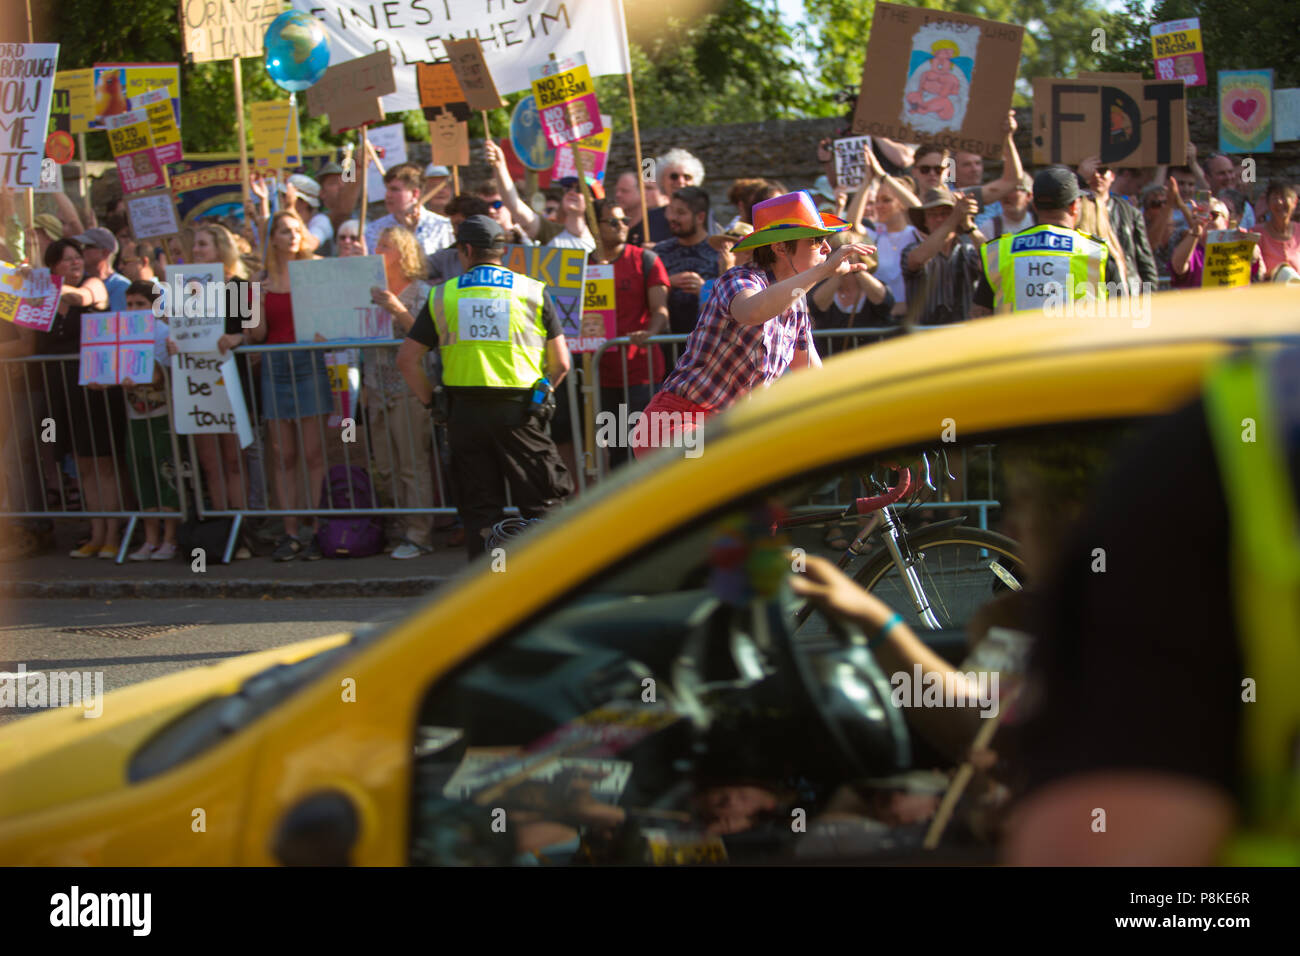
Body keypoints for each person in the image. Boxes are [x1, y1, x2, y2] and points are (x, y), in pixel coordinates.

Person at [1007, 345, 1300, 865]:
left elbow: (1101, 851)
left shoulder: (1226, 445)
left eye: (1025, 501)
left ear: (1074, 512)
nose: (1011, 526)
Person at [628, 192, 872, 458]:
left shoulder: (796, 302)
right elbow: (753, 310)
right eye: (816, 240)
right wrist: (823, 272)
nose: (827, 249)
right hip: (677, 422)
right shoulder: (740, 279)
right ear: (779, 248)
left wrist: (872, 438)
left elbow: (816, 381)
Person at [396, 215, 574, 559]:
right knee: (544, 504)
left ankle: (492, 587)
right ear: (502, 251)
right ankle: (548, 587)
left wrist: (433, 403)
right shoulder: (532, 291)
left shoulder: (441, 296)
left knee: (481, 512)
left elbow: (407, 360)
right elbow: (562, 364)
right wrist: (543, 394)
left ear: (465, 250)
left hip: (465, 415)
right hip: (521, 413)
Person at [246, 211, 334, 562]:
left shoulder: (318, 269)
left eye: (297, 229)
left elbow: (335, 316)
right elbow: (251, 335)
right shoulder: (255, 277)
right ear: (274, 239)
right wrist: (254, 299)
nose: (293, 235)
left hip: (309, 362)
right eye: (285, 231)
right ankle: (290, 533)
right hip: (274, 363)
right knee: (282, 455)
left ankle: (318, 528)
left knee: (314, 453)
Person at [170, 222, 257, 556]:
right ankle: (221, 535)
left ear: (221, 249)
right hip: (197, 383)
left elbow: (252, 331)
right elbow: (179, 332)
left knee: (234, 460)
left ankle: (242, 531)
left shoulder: (237, 288)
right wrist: (173, 343)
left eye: (203, 245)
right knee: (210, 462)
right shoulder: (185, 290)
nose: (197, 251)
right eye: (196, 246)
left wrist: (237, 337)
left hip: (230, 380)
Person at [40, 238, 124, 558]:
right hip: (63, 392)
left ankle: (112, 534)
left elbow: (85, 298)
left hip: (95, 390)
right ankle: (96, 531)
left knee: (104, 464)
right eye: (66, 260)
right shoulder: (45, 301)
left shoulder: (93, 285)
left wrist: (46, 289)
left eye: (78, 258)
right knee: (83, 466)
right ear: (53, 267)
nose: (75, 263)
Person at [366, 227, 435, 559]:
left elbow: (427, 336)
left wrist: (397, 309)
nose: (376, 249)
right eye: (377, 244)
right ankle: (401, 527)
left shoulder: (421, 292)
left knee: (412, 464)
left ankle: (419, 533)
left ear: (404, 253)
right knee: (386, 465)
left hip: (409, 388)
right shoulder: (369, 290)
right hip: (376, 388)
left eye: (385, 245)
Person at [590, 198, 671, 469]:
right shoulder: (580, 267)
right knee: (616, 452)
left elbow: (661, 310)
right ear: (595, 226)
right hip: (601, 374)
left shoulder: (645, 259)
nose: (622, 226)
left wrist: (650, 332)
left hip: (642, 372)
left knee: (646, 448)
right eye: (613, 222)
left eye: (624, 220)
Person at [974, 167, 1120, 316]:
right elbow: (1120, 315)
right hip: (1079, 339)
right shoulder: (1096, 252)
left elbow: (980, 314)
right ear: (1074, 206)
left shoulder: (999, 251)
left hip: (1016, 339)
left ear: (1035, 206)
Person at [120, 281, 179, 562]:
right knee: (142, 475)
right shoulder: (121, 333)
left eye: (140, 304)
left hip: (162, 416)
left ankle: (170, 538)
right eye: (129, 304)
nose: (133, 310)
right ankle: (150, 538)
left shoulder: (164, 333)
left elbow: (163, 374)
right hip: (135, 417)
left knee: (166, 474)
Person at [483, 142, 594, 251]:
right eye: (568, 188)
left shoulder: (602, 237)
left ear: (593, 199)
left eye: (579, 189)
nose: (571, 192)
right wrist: (500, 166)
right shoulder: (550, 231)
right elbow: (513, 204)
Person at [900, 186, 984, 325]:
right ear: (925, 221)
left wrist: (969, 225)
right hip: (925, 336)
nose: (939, 219)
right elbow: (917, 259)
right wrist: (954, 217)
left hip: (964, 335)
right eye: (933, 214)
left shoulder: (968, 251)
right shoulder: (911, 249)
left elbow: (992, 260)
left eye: (945, 213)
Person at [1075, 156, 1159, 293]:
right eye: (1091, 171)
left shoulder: (1129, 212)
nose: (1096, 176)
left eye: (1102, 171)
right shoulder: (1075, 211)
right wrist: (1079, 178)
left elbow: (1145, 260)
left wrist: (1150, 296)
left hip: (1127, 289)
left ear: (1112, 176)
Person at [655, 186, 720, 336]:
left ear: (700, 217)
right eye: (670, 210)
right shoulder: (659, 252)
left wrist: (704, 290)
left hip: (707, 340)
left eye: (681, 213)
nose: (672, 218)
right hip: (668, 342)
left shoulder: (719, 251)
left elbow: (731, 297)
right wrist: (666, 283)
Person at [808, 230, 895, 334]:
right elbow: (817, 306)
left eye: (849, 249)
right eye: (836, 249)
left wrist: (855, 268)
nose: (841, 253)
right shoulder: (820, 286)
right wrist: (840, 269)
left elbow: (884, 301)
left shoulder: (875, 284)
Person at [1170, 195, 1265, 288]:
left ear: (1226, 222)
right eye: (1202, 215)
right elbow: (1178, 267)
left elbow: (1260, 276)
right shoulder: (1192, 249)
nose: (1206, 219)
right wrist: (1196, 232)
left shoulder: (1239, 247)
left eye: (1212, 215)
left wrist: (1250, 249)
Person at [365, 163, 455, 260]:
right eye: (387, 189)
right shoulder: (374, 229)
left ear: (415, 193)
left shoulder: (442, 226)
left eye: (395, 189)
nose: (388, 195)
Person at [71, 227, 131, 311]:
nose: (81, 251)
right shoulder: (76, 279)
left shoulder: (121, 286)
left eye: (87, 246)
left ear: (105, 253)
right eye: (80, 247)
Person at [1250, 179, 1300, 278]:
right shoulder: (1256, 233)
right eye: (1275, 198)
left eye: (1284, 197)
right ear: (1268, 203)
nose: (1279, 202)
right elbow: (1252, 270)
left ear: (1295, 202)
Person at [279, 173, 332, 254]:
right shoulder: (282, 220)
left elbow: (310, 246)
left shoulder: (321, 221)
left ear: (304, 202)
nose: (282, 200)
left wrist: (290, 208)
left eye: (285, 196)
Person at [976, 174, 1035, 241]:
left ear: (1029, 196)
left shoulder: (1038, 223)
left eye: (1013, 189)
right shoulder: (989, 227)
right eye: (1003, 190)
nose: (1006, 195)